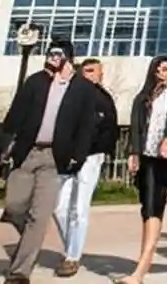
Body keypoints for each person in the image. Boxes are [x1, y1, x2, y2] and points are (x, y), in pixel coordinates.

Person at [0, 42, 99, 284]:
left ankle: (20, 271)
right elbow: (15, 115)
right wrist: (0, 145)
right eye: (50, 54)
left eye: (57, 55)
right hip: (27, 152)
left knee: (40, 215)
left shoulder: (83, 89)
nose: (52, 58)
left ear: (69, 59)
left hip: (55, 158)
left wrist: (79, 154)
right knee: (14, 206)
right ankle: (28, 242)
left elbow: (86, 126)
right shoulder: (36, 82)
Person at [53, 57, 119, 277]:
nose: (89, 75)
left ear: (101, 75)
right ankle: (72, 244)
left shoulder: (103, 98)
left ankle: (72, 256)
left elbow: (109, 128)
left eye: (94, 71)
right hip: (67, 157)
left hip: (91, 157)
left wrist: (99, 151)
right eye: (86, 71)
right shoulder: (68, 94)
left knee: (79, 209)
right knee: (60, 208)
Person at [118, 55, 167, 284]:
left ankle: (142, 268)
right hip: (149, 157)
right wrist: (133, 153)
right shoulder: (143, 98)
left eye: (166, 69)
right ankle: (142, 266)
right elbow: (135, 127)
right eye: (158, 69)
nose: (162, 73)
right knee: (150, 206)